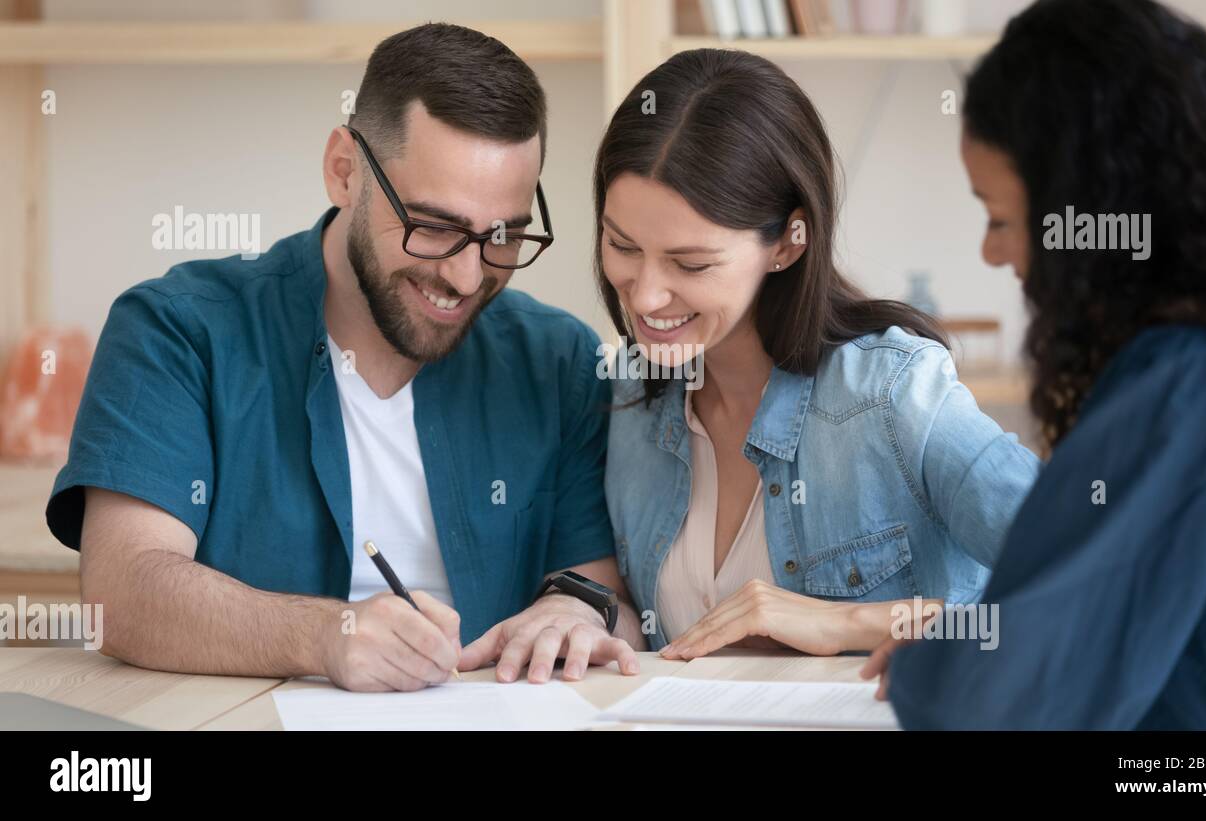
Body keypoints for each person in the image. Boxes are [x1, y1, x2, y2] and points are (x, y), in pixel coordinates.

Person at [47, 23, 642, 691]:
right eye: (435, 227)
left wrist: (572, 607)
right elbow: (122, 594)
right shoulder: (179, 331)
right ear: (344, 172)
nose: (470, 277)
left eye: (502, 235)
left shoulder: (558, 361)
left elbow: (599, 589)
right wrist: (326, 634)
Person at [863, 0, 1206, 729]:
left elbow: (1005, 699)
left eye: (1000, 218)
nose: (991, 253)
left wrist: (930, 658)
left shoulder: (1186, 382)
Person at [596, 48, 1040, 658]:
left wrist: (849, 625)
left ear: (786, 243)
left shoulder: (889, 394)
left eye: (690, 263)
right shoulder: (628, 401)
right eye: (622, 245)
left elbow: (1109, 575)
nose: (645, 295)